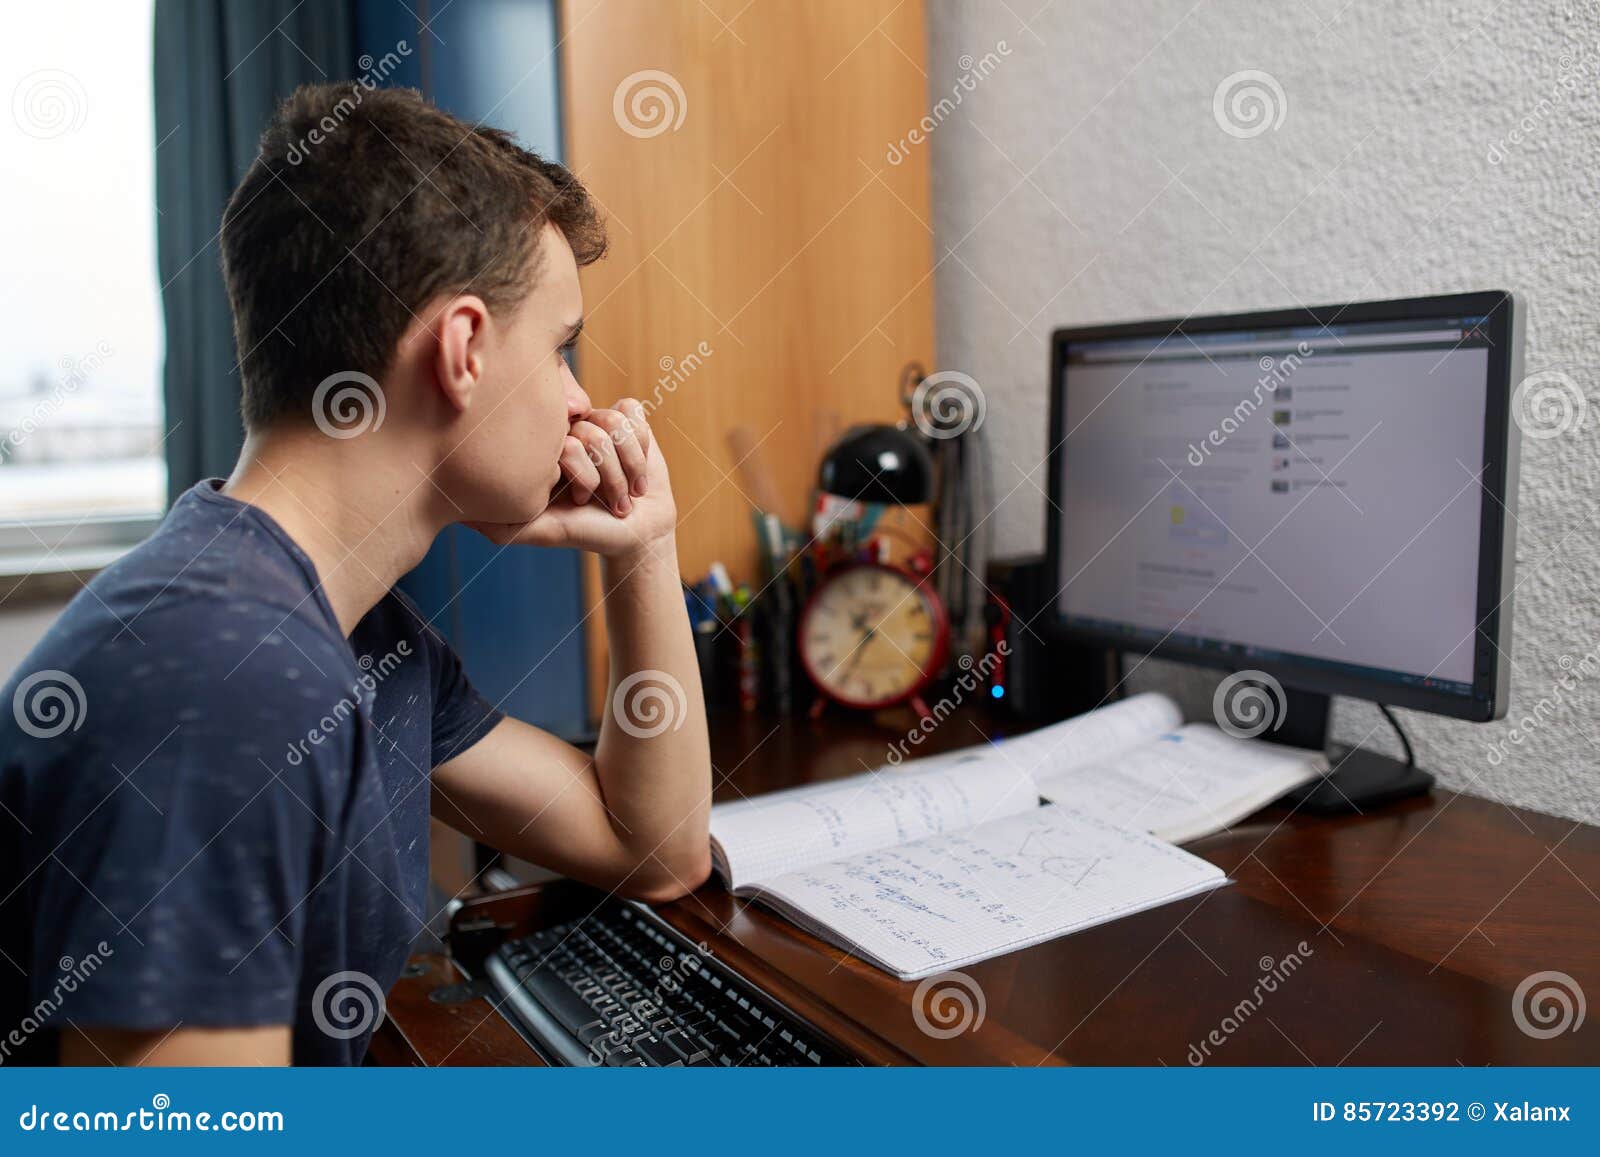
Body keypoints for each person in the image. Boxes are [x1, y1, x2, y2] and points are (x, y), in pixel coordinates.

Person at [0, 84, 711, 1066]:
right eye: (560, 349)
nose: (582, 401)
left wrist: (643, 548)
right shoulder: (222, 675)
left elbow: (653, 849)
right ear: (461, 350)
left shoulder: (357, 633)